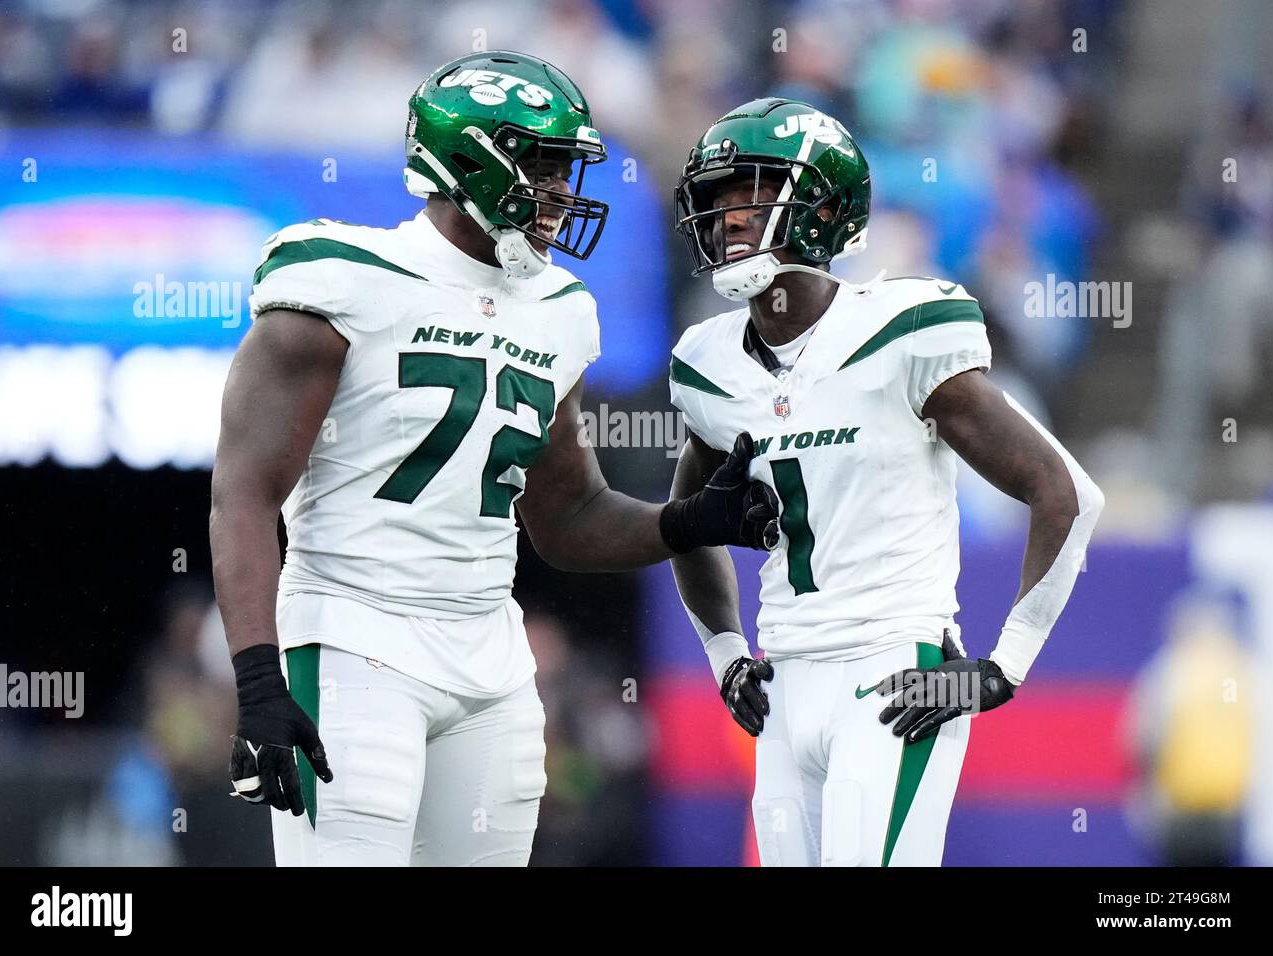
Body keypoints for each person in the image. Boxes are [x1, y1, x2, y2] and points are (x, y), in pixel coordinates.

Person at [209, 52, 776, 867]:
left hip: (491, 662)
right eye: (543, 167)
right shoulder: (339, 278)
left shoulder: (559, 310)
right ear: (470, 160)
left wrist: (691, 520)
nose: (562, 194)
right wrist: (259, 680)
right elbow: (243, 497)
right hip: (351, 640)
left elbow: (569, 514)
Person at [667, 98, 1105, 866]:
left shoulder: (905, 329)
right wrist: (725, 653)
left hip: (894, 675)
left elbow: (1065, 494)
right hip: (784, 681)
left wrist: (1002, 668)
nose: (728, 214)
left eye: (752, 191)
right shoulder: (707, 365)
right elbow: (685, 522)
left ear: (824, 209)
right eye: (718, 195)